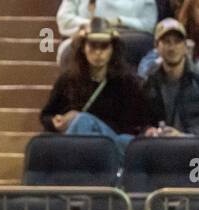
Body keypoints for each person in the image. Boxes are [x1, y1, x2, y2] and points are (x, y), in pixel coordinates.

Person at [40, 19, 152, 162]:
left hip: (114, 143)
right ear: (84, 48)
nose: (98, 52)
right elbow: (46, 115)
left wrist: (88, 122)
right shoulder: (68, 80)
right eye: (93, 46)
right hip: (79, 140)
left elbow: (136, 125)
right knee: (78, 124)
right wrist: (55, 121)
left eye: (104, 46)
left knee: (82, 121)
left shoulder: (127, 82)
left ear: (112, 49)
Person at [56, 0, 158, 66]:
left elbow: (149, 24)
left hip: (129, 37)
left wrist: (120, 21)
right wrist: (97, 25)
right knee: (72, 51)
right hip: (86, 35)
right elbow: (64, 20)